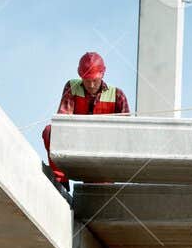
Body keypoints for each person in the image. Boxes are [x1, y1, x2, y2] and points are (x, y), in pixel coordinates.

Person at [43, 52, 130, 187]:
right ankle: (60, 181)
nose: (90, 84)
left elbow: (126, 134)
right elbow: (63, 122)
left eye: (94, 80)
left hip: (103, 152)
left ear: (103, 74)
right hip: (77, 141)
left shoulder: (117, 96)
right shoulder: (72, 87)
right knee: (51, 131)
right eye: (87, 80)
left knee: (98, 194)